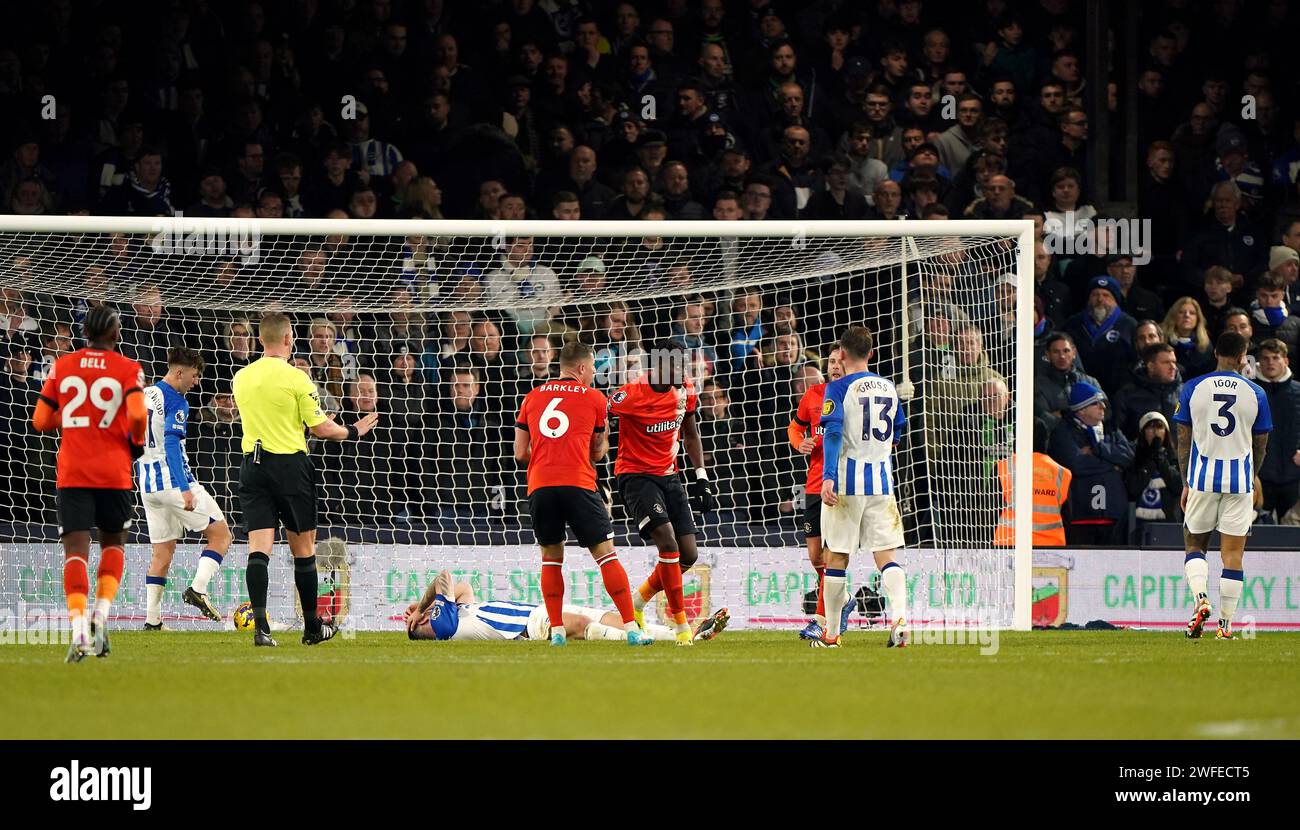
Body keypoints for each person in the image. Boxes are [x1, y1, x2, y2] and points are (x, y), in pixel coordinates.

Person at [231, 312, 379, 647]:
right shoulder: (298, 379)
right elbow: (321, 429)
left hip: (253, 466)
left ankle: (261, 629)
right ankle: (313, 628)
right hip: (290, 467)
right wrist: (353, 429)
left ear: (259, 340)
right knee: (303, 550)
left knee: (259, 549)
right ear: (287, 339)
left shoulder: (242, 377)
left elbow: (269, 417)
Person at [513, 342, 650, 646]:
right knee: (606, 556)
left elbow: (520, 453)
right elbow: (598, 452)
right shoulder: (595, 398)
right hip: (577, 482)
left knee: (551, 559)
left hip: (541, 485)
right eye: (592, 370)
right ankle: (631, 629)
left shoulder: (532, 397)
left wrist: (549, 453)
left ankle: (558, 633)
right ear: (583, 368)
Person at [30, 305, 147, 662]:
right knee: (113, 546)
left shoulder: (62, 366)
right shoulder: (128, 368)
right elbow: (139, 414)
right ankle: (100, 615)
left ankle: (80, 629)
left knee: (75, 552)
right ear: (115, 333)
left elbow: (39, 420)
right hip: (113, 472)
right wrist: (135, 442)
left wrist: (76, 421)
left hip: (74, 471)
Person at [607, 339, 714, 646]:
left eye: (685, 366)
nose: (682, 372)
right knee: (667, 542)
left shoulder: (685, 390)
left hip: (670, 475)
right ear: (657, 365)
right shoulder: (629, 395)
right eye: (677, 366)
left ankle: (638, 601)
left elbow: (691, 434)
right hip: (636, 476)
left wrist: (701, 478)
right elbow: (599, 417)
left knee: (689, 554)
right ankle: (682, 628)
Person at [815, 326, 908, 649]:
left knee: (836, 557)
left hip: (846, 486)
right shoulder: (888, 388)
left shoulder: (838, 388)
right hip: (882, 485)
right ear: (871, 353)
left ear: (841, 354)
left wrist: (828, 476)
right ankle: (899, 617)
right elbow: (898, 432)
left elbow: (834, 433)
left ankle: (831, 635)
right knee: (886, 557)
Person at [1174, 331, 1271, 640]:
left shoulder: (1192, 388)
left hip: (1202, 480)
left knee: (1194, 545)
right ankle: (1226, 626)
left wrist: (1187, 481)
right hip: (1239, 482)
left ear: (1215, 351)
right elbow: (1261, 444)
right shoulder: (1256, 393)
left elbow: (1182, 442)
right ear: (1244, 357)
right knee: (1233, 555)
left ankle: (1201, 599)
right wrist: (1252, 476)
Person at [137, 347, 233, 630]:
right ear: (179, 372)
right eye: (194, 375)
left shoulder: (143, 395)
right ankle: (198, 589)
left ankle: (152, 622)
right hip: (174, 483)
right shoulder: (177, 402)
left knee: (162, 552)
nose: (196, 381)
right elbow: (170, 445)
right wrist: (184, 488)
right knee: (221, 535)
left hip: (147, 485)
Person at [403, 570, 729, 643]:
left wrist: (421, 605)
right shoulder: (445, 627)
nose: (423, 617)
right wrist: (422, 609)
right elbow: (445, 579)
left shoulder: (458, 613)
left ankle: (679, 635)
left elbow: (463, 588)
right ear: (421, 630)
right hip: (525, 626)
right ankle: (678, 638)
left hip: (538, 608)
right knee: (575, 624)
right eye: (421, 621)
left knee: (613, 617)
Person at [787, 345, 849, 641]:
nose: (835, 366)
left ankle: (821, 620)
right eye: (832, 362)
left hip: (842, 485)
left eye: (840, 362)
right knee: (815, 556)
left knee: (830, 553)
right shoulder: (813, 395)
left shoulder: (855, 396)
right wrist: (800, 443)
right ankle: (845, 599)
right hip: (814, 484)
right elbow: (794, 428)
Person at [1048, 381, 1135, 545]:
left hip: (1114, 513)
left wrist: (1098, 449)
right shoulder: (1062, 432)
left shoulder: (1111, 429)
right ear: (1082, 409)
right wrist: (1112, 466)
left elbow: (1128, 457)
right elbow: (1075, 465)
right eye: (1096, 403)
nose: (1103, 407)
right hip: (1080, 513)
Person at [1255, 339, 1300, 522]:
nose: (1270, 363)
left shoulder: (1298, 392)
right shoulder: (1251, 392)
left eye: (1275, 357)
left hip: (1293, 475)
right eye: (1265, 358)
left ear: (1286, 361)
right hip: (1259, 476)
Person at [1126, 411, 1183, 530]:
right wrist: (1151, 456)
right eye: (1150, 427)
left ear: (1166, 432)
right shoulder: (1132, 457)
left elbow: (1177, 486)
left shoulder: (1175, 458)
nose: (1156, 431)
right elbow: (1133, 488)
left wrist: (1159, 457)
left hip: (1169, 521)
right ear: (1143, 432)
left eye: (1159, 427)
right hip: (1137, 524)